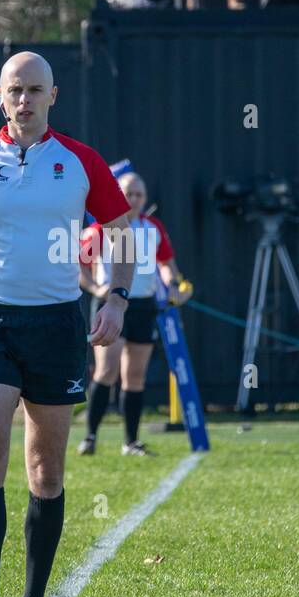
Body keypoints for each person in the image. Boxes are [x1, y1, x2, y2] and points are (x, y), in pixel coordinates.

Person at [0, 51, 135, 597]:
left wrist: (117, 299)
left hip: (56, 325)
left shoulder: (81, 163)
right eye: (15, 90)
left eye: (35, 90)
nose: (24, 99)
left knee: (45, 468)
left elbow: (121, 234)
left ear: (54, 96)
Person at [77, 171, 190, 456]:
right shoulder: (101, 228)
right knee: (106, 370)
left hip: (143, 304)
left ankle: (131, 441)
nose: (135, 200)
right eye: (129, 193)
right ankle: (90, 436)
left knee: (135, 375)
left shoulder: (153, 228)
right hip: (111, 304)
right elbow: (76, 263)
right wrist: (96, 289)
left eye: (139, 194)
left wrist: (174, 286)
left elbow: (166, 264)